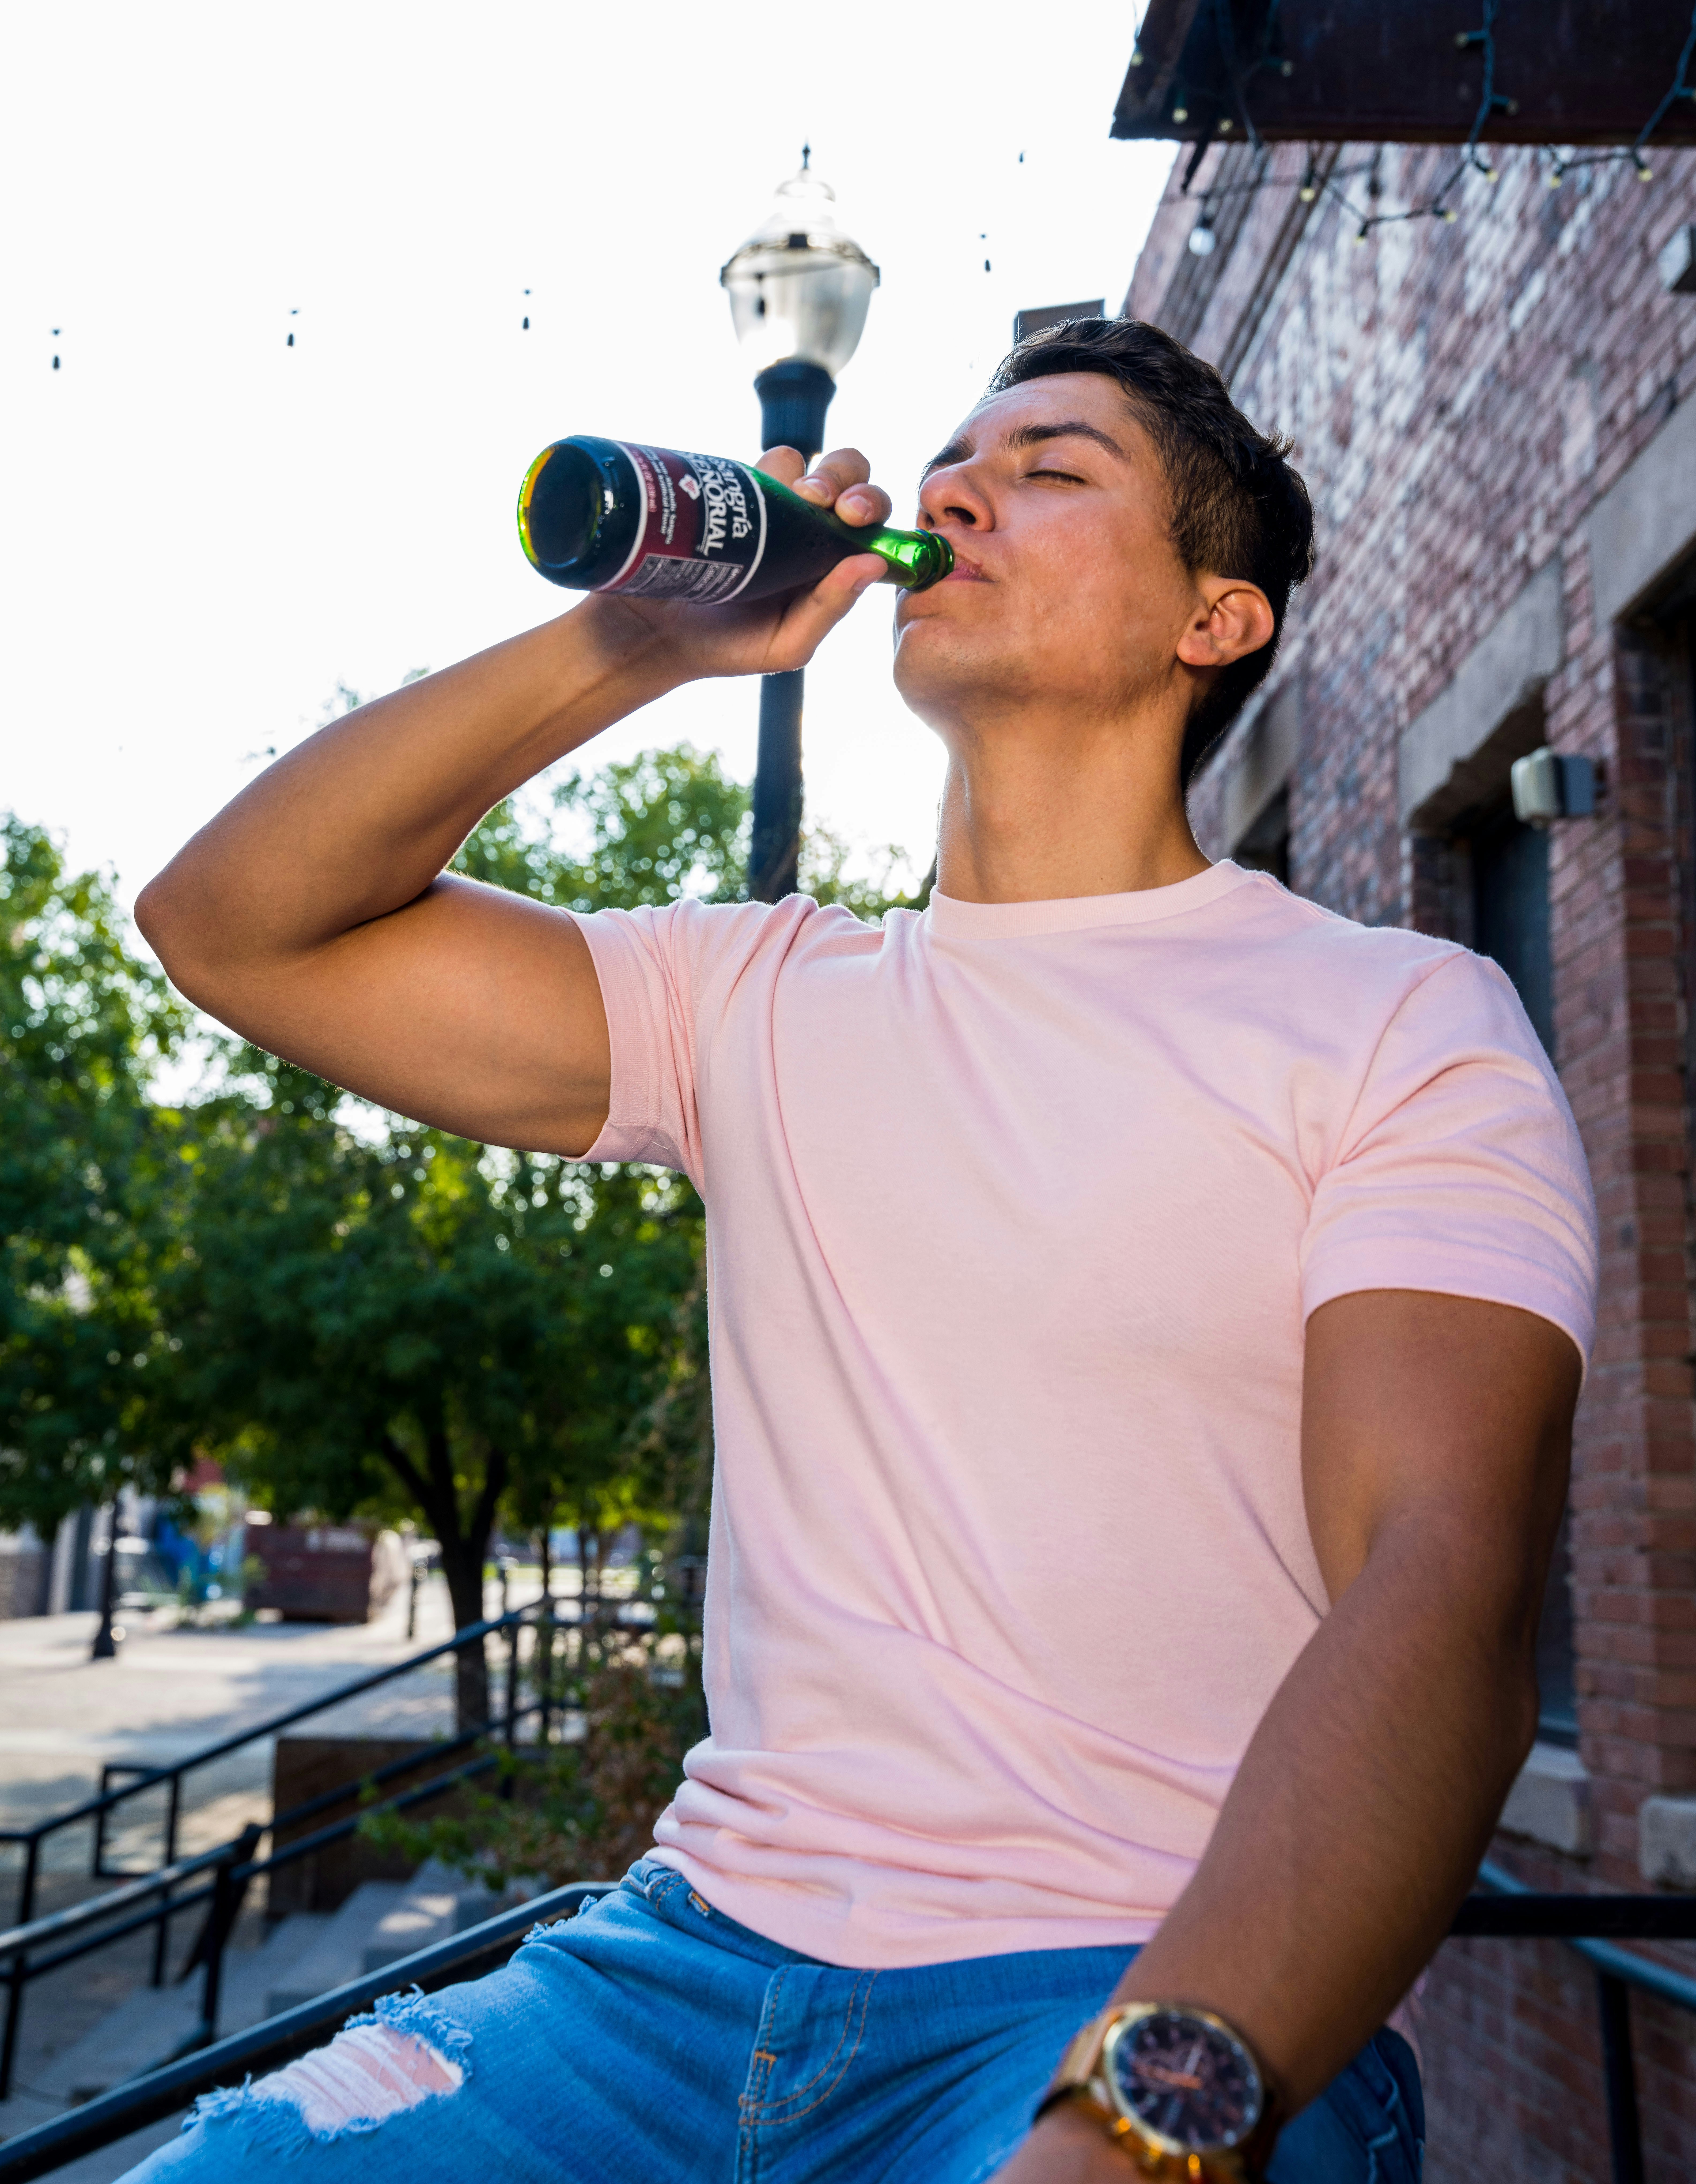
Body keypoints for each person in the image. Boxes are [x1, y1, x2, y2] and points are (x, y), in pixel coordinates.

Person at [130, 318, 1595, 2184]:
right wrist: (636, 640)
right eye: (959, 459)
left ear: (1214, 621)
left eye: (1056, 469)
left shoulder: (1397, 1019)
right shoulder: (755, 995)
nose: (960, 487)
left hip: (1124, 1981)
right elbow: (236, 926)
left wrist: (1136, 2119)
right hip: (676, 1977)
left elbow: (1441, 1586)